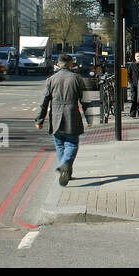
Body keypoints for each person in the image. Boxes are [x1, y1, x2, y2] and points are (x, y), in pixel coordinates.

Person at [34, 53, 90, 185]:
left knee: (60, 145)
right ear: (71, 64)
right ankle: (65, 165)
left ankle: (66, 172)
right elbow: (85, 101)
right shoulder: (77, 78)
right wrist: (89, 118)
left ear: (58, 65)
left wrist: (39, 120)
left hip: (56, 117)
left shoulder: (51, 80)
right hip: (72, 116)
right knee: (72, 144)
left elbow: (44, 102)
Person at [127, 51, 139, 118]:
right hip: (134, 84)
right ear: (135, 57)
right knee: (133, 98)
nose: (138, 58)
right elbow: (128, 74)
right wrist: (131, 82)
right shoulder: (131, 65)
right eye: (137, 56)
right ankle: (133, 113)